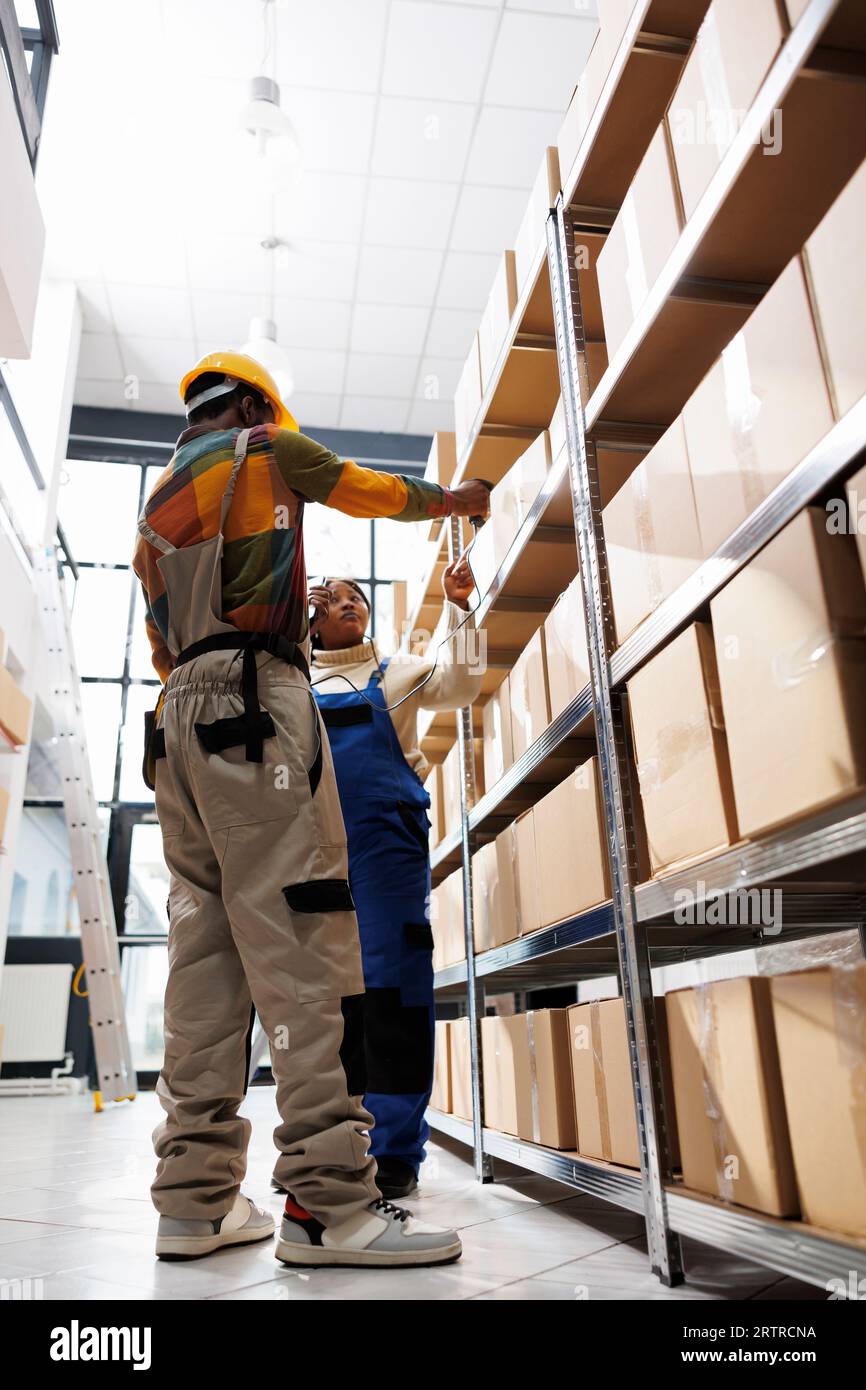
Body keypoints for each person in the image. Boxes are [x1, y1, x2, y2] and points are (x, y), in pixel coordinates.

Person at [131, 350, 489, 1268]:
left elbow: (160, 641)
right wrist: (452, 501)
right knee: (305, 947)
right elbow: (370, 490)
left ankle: (195, 1203)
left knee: (205, 956)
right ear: (254, 404)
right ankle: (328, 1205)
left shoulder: (157, 502)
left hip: (176, 726)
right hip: (257, 702)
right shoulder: (268, 448)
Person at [304, 565, 483, 1199]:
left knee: (393, 990)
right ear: (311, 618)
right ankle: (322, 1147)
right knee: (318, 997)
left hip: (387, 846)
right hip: (310, 846)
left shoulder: (398, 671)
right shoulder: (292, 680)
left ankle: (393, 1150)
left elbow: (462, 683)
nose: (348, 603)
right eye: (332, 599)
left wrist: (460, 609)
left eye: (357, 596)